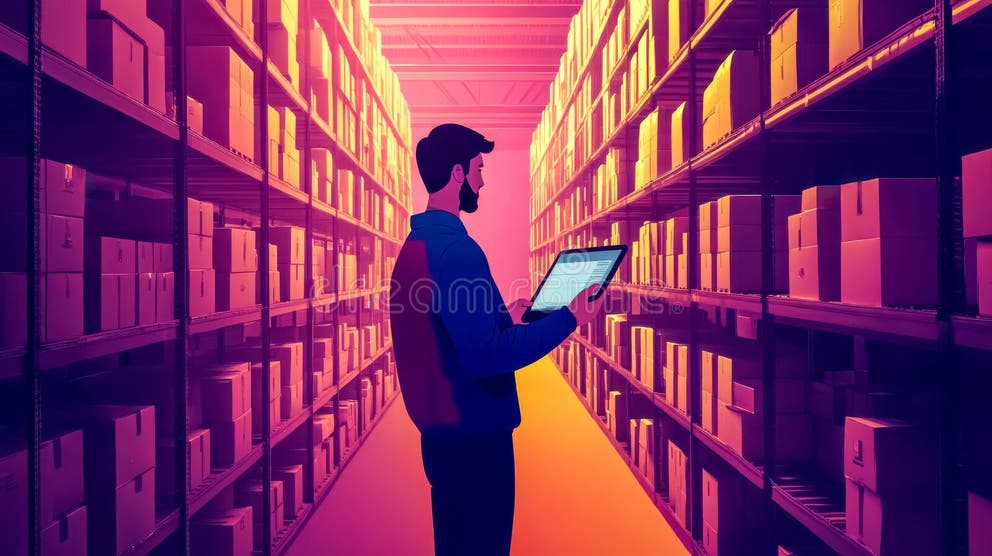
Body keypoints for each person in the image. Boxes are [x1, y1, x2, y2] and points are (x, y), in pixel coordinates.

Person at [388, 123, 606, 556]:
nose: (482, 179)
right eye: (478, 168)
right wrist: (569, 318)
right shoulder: (458, 252)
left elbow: (444, 327)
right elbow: (485, 356)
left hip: (443, 436)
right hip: (476, 441)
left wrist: (504, 316)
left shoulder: (418, 245)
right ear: (457, 175)